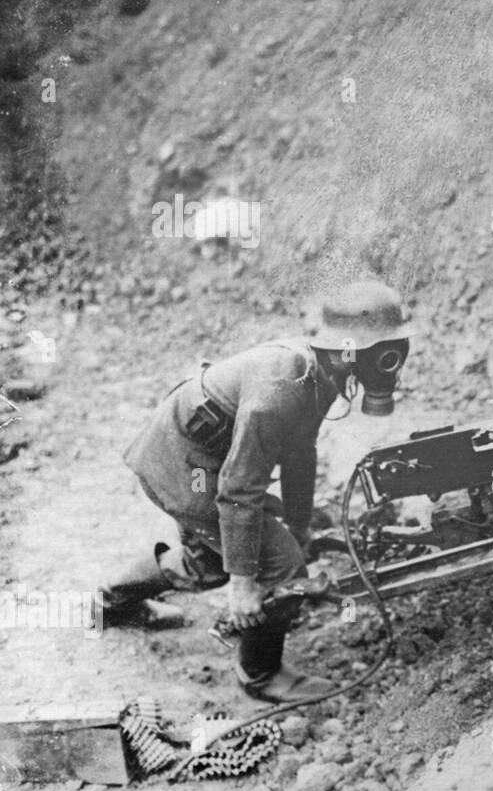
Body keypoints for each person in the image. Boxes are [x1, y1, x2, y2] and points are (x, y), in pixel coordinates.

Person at [99, 280, 415, 703]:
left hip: (188, 455)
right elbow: (237, 492)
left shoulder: (319, 371)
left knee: (208, 560)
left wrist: (300, 526)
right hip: (185, 469)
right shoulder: (283, 390)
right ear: (348, 350)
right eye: (384, 352)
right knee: (281, 566)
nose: (392, 363)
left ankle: (111, 601)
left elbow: (301, 451)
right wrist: (244, 584)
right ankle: (260, 675)